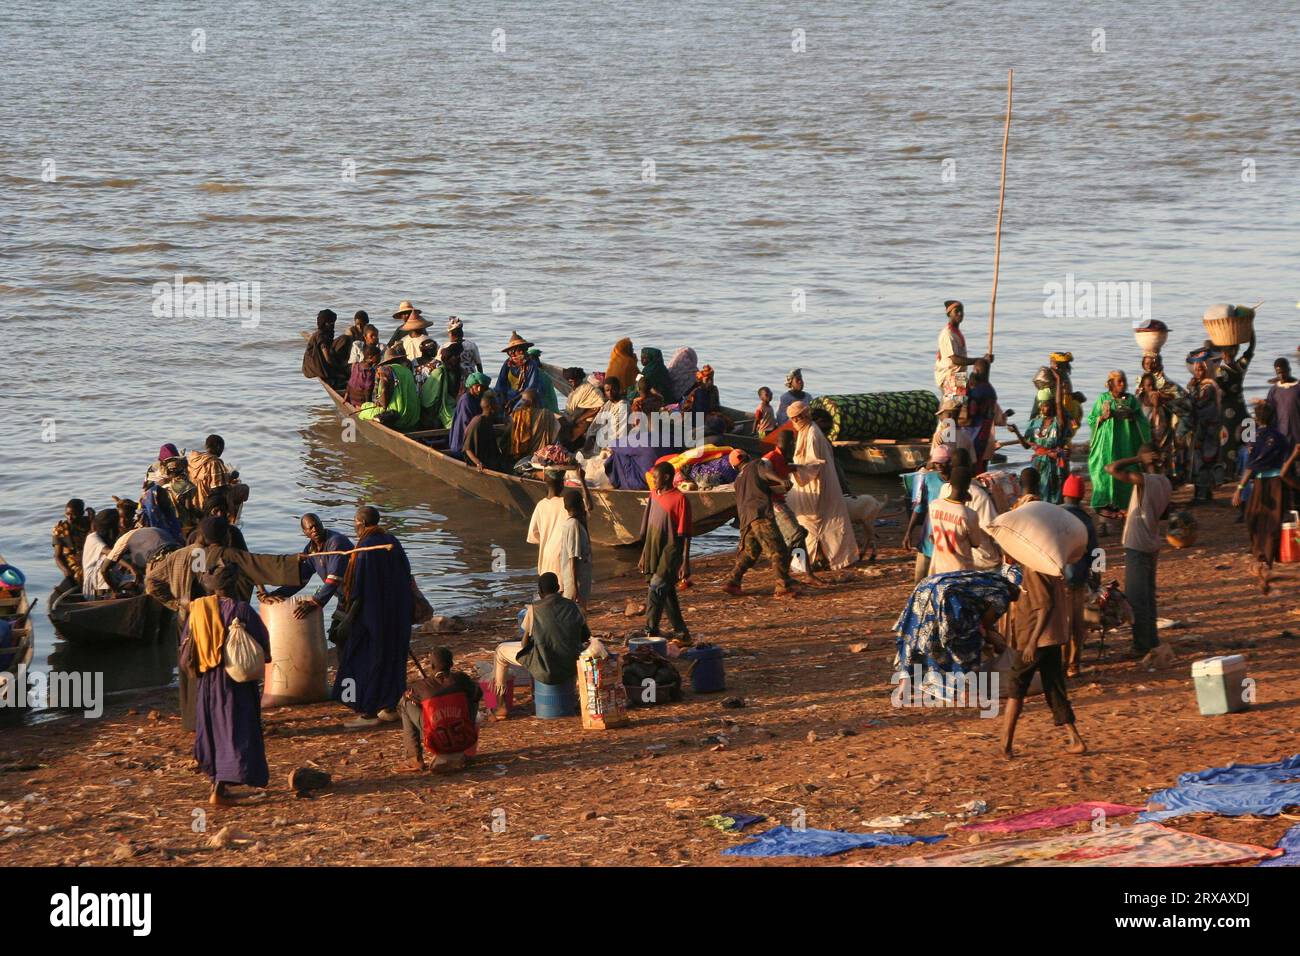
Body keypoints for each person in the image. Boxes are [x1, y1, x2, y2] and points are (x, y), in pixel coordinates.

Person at [146, 516, 304, 731]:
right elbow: (259, 564)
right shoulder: (226, 555)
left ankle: (194, 720)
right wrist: (296, 562)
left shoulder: (184, 554)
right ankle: (226, 718)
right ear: (227, 535)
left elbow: (153, 581)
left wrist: (176, 603)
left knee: (192, 667)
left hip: (188, 619)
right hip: (213, 618)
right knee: (223, 668)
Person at [180, 562, 272, 807]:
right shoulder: (241, 609)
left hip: (207, 682)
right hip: (234, 683)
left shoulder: (197, 609)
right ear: (233, 584)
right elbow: (262, 642)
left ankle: (216, 783)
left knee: (212, 729)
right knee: (234, 730)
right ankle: (219, 790)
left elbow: (186, 642)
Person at [330, 506, 413, 729]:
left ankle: (367, 712)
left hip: (372, 616)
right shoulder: (391, 540)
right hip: (398, 613)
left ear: (362, 524)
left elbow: (356, 586)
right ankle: (389, 707)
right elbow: (406, 572)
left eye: (355, 523)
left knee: (363, 660)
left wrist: (347, 607)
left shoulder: (365, 547)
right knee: (393, 658)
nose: (355, 528)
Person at [999, 562, 1087, 758]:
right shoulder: (1050, 566)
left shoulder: (1034, 569)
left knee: (1016, 687)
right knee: (1054, 688)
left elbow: (1044, 607)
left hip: (1036, 640)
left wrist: (1032, 642)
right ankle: (1075, 739)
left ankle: (1005, 744)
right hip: (1052, 637)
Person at [492, 573, 589, 718]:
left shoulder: (533, 609)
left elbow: (525, 644)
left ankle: (500, 706)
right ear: (558, 588)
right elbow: (585, 636)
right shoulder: (573, 606)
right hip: (570, 665)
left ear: (539, 592)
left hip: (545, 667)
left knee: (500, 652)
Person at [1106, 445, 1171, 658]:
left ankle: (1141, 645)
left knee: (1136, 599)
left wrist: (1136, 457)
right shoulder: (1165, 482)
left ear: (1147, 459)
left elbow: (1111, 468)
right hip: (1151, 541)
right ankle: (1151, 640)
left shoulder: (1147, 480)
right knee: (1148, 597)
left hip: (1138, 544)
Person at [785, 400, 858, 571]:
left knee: (811, 523)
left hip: (816, 485)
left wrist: (793, 467)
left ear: (804, 416)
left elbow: (814, 465)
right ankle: (820, 558)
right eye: (793, 420)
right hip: (813, 483)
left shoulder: (812, 434)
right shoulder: (806, 431)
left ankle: (817, 560)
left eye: (797, 418)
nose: (795, 422)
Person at [1232, 405, 1297, 593]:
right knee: (1264, 522)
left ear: (1257, 418)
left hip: (1267, 483)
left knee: (1260, 523)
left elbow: (1251, 465)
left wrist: (1239, 488)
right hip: (1273, 484)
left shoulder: (1257, 437)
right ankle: (1264, 565)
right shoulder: (1280, 438)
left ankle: (1265, 566)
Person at [393, 646, 483, 773]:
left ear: (432, 666)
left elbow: (407, 696)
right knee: (472, 694)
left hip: (435, 739)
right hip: (464, 737)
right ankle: (465, 751)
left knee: (405, 704)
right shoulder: (461, 679)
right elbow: (478, 693)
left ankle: (413, 758)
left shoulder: (421, 686)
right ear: (451, 664)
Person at [724, 456, 799, 597]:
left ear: (735, 466)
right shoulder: (755, 464)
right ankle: (783, 586)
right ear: (747, 457)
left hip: (746, 519)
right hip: (760, 514)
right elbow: (764, 472)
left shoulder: (738, 480)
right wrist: (781, 480)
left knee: (750, 552)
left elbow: (753, 493)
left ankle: (732, 582)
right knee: (778, 549)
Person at [260, 514, 354, 617]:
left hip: (360, 594)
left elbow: (334, 578)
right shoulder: (311, 549)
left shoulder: (336, 543)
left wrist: (315, 601)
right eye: (310, 528)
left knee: (352, 630)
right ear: (305, 532)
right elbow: (301, 578)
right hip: (345, 597)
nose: (315, 530)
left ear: (322, 525)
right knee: (337, 631)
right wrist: (276, 594)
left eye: (317, 525)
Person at [640, 462, 692, 642]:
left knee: (656, 589)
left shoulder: (680, 499)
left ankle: (650, 630)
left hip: (671, 551)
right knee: (667, 592)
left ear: (667, 477)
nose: (653, 481)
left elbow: (685, 534)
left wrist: (685, 562)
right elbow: (647, 527)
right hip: (653, 549)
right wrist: (643, 554)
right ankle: (682, 633)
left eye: (656, 477)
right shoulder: (654, 494)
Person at [1087, 370, 1150, 518]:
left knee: (1126, 469)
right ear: (1111, 384)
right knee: (1105, 470)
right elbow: (1091, 419)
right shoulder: (1103, 399)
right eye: (1119, 381)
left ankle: (1126, 505)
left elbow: (1142, 419)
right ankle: (1106, 504)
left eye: (1124, 381)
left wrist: (1132, 416)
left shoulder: (1131, 400)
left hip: (1126, 443)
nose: (1123, 384)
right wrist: (1101, 418)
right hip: (1106, 444)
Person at [1059, 473, 1098, 676]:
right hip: (1078, 578)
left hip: (1058, 578)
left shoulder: (1054, 515)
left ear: (1063, 494)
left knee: (1061, 622)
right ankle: (1074, 664)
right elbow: (1096, 552)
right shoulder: (1086, 520)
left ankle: (1060, 663)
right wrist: (1097, 575)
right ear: (1081, 497)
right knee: (1077, 622)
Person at [926, 466, 994, 575]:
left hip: (939, 569)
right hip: (962, 571)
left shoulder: (934, 505)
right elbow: (975, 543)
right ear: (968, 485)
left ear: (949, 483)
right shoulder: (969, 514)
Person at [1008, 392, 1069, 504]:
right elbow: (1026, 445)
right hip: (1039, 463)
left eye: (1046, 405)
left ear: (1052, 405)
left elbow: (1059, 403)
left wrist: (1059, 380)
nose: (1043, 408)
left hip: (1055, 463)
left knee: (1055, 492)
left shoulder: (1058, 423)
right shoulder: (1035, 423)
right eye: (1041, 405)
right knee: (1039, 489)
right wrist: (1016, 432)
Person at [904, 445, 952, 583]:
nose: (939, 465)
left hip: (948, 537)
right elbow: (919, 508)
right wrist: (909, 532)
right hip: (928, 536)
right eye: (936, 462)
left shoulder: (958, 483)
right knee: (920, 579)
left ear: (950, 461)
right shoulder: (928, 479)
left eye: (943, 462)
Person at [934, 300, 991, 409]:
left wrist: (984, 361)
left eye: (961, 311)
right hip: (949, 376)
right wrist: (979, 361)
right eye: (956, 311)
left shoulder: (956, 332)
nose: (960, 313)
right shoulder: (947, 334)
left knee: (961, 406)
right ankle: (948, 422)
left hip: (958, 376)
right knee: (954, 408)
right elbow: (955, 359)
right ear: (949, 314)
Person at [1214, 332, 1256, 478]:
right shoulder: (1222, 370)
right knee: (1228, 441)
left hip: (1237, 409)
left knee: (1248, 435)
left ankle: (1247, 469)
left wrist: (1250, 328)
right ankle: (1229, 473)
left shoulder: (1235, 367)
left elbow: (1250, 350)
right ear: (1223, 354)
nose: (1230, 354)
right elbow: (1219, 390)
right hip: (1230, 410)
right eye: (1228, 351)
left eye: (1232, 351)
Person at [1186, 354, 1223, 504]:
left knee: (1203, 462)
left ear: (1206, 370)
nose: (1199, 372)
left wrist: (1191, 388)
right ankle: (1203, 494)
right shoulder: (1202, 385)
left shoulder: (1208, 386)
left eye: (1201, 369)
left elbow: (1198, 403)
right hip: (1203, 429)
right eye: (1197, 369)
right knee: (1200, 462)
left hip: (1207, 431)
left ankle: (1202, 496)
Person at [763, 430, 807, 554]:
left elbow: (786, 467)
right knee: (796, 533)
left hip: (779, 499)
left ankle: (790, 560)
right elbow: (763, 470)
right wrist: (781, 480)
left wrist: (801, 467)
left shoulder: (782, 458)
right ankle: (787, 561)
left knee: (799, 533)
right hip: (772, 502)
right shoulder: (771, 456)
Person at [358, 346, 421, 431]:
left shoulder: (386, 370)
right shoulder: (407, 371)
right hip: (413, 416)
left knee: (364, 407)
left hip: (397, 416)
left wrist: (378, 403)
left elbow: (383, 401)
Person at [104, 521, 181, 588]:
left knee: (154, 591)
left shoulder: (124, 539)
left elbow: (104, 569)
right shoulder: (153, 529)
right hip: (179, 555)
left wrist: (115, 590)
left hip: (159, 558)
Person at [550, 489, 592, 610]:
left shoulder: (578, 522)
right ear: (580, 504)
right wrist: (575, 589)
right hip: (575, 583)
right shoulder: (573, 525)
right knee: (575, 615)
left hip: (580, 581)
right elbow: (572, 558)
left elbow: (589, 507)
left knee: (580, 615)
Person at [527, 472, 570, 577]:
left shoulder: (540, 505)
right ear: (562, 484)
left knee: (548, 590)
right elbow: (588, 506)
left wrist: (547, 546)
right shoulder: (567, 503)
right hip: (563, 559)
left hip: (546, 560)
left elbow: (534, 536)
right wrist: (582, 481)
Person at [494, 331, 547, 413]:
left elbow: (530, 389)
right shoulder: (507, 364)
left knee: (520, 407)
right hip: (508, 396)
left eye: (522, 349)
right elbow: (500, 385)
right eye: (510, 352)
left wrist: (513, 400)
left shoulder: (531, 365)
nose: (521, 352)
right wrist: (503, 399)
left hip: (523, 397)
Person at [52, 499, 92, 597]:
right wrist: (67, 572)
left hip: (90, 561)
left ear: (82, 513)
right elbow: (58, 556)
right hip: (73, 566)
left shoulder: (90, 523)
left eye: (73, 514)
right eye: (67, 514)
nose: (70, 517)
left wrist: (93, 519)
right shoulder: (60, 529)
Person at [302, 309, 349, 387]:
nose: (333, 325)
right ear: (325, 323)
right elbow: (327, 358)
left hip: (320, 362)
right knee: (344, 339)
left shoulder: (324, 333)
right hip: (315, 367)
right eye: (331, 322)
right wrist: (339, 369)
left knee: (344, 339)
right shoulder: (321, 336)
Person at [509, 389, 560, 460]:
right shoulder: (547, 414)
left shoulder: (516, 415)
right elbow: (556, 434)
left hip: (521, 457)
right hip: (543, 456)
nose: (521, 402)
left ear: (529, 402)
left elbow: (508, 437)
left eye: (523, 400)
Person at [450, 371, 492, 457]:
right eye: (477, 386)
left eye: (482, 387)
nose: (480, 389)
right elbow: (467, 425)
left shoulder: (477, 398)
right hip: (461, 445)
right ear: (471, 386)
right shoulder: (466, 400)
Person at [463, 394, 509, 473]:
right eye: (496, 404)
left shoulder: (488, 419)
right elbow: (467, 449)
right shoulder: (478, 421)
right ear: (491, 408)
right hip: (482, 463)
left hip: (491, 460)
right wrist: (478, 463)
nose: (499, 407)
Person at [81, 510, 120, 598]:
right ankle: (103, 595)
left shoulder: (110, 538)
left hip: (105, 579)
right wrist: (131, 567)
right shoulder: (92, 538)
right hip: (93, 583)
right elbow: (110, 553)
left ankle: (117, 591)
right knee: (105, 562)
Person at [187, 434, 231, 510]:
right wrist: (230, 478)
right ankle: (230, 516)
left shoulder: (194, 459)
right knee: (241, 489)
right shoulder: (214, 462)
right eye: (222, 448)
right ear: (218, 447)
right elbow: (217, 489)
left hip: (192, 500)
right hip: (206, 501)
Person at [590, 377, 632, 451]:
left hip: (616, 448)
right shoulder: (608, 404)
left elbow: (621, 435)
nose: (610, 393)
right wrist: (591, 436)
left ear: (619, 389)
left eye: (613, 389)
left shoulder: (623, 406)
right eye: (607, 390)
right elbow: (595, 424)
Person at [1266, 358, 1300, 448]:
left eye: (1283, 372)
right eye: (1278, 373)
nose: (1281, 375)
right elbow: (1269, 414)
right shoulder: (1274, 390)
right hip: (1282, 435)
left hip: (1297, 435)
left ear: (1289, 370)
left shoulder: (1298, 388)